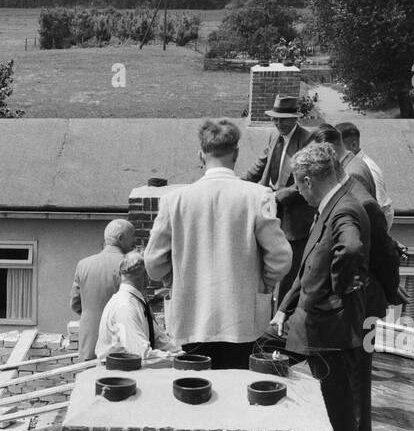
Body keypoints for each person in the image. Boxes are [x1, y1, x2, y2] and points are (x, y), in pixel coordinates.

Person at [145, 119, 292, 368]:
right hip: (244, 319)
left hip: (191, 319)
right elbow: (281, 258)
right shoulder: (257, 196)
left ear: (200, 154)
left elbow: (154, 264)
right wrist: (261, 283)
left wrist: (175, 280)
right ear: (236, 153)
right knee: (238, 396)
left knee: (197, 395)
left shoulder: (174, 201)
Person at [271, 143, 372, 431]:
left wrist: (335, 292)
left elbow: (351, 249)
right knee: (329, 403)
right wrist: (285, 307)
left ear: (309, 181)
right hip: (318, 326)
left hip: (328, 330)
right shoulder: (332, 205)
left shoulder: (343, 210)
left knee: (337, 407)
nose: (299, 192)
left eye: (299, 186)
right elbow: (309, 265)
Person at [310, 125, 406, 431]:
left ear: (329, 153)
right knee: (355, 380)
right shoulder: (352, 175)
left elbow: (383, 253)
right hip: (361, 304)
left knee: (355, 381)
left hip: (359, 307)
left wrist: (388, 290)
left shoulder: (356, 192)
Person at [243, 94, 316, 303]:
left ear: (295, 118)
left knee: (288, 272)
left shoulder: (308, 140)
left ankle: (282, 317)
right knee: (266, 261)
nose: (278, 123)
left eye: (283, 119)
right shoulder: (273, 136)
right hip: (271, 207)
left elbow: (303, 182)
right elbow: (259, 165)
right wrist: (236, 184)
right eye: (275, 119)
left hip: (294, 217)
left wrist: (276, 197)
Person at [71, 218, 135, 360]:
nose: (133, 243)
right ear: (120, 238)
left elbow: (75, 303)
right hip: (119, 342)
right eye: (132, 237)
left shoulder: (83, 264)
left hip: (89, 340)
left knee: (86, 380)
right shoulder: (129, 266)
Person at [95, 252, 176, 361]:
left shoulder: (137, 302)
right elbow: (141, 353)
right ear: (145, 275)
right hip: (118, 374)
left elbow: (159, 339)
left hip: (131, 370)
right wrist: (175, 357)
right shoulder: (125, 306)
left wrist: (182, 351)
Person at [336, 122, 393, 229]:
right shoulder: (352, 163)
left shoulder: (367, 168)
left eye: (339, 147)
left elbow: (378, 207)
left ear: (353, 145)